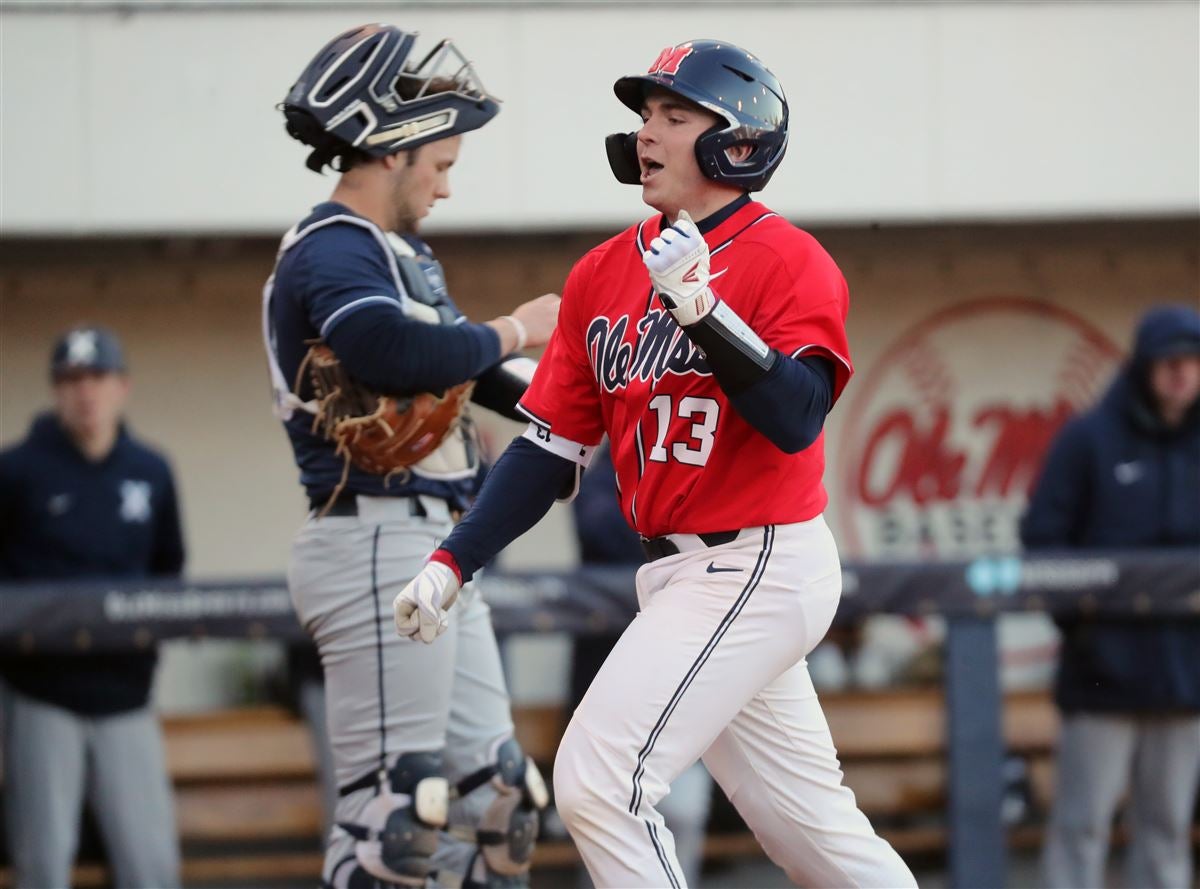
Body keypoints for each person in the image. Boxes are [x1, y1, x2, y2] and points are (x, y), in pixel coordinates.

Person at [395, 39, 916, 888]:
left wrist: (705, 312)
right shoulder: (605, 271)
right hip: (678, 575)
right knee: (814, 835)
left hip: (758, 557)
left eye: (675, 115)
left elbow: (797, 417)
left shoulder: (790, 258)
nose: (648, 132)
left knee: (599, 779)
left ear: (736, 140)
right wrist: (455, 558)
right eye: (644, 115)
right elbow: (547, 446)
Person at [264, 24, 560, 889]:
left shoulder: (401, 256)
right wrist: (514, 327)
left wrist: (589, 408)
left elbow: (466, 373)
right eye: (441, 164)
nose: (446, 185)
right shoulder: (333, 244)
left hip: (433, 545)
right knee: (396, 812)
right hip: (370, 536)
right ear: (393, 149)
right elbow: (390, 353)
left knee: (501, 798)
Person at [1021, 303, 1200, 889]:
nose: (1181, 374)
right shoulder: (1089, 439)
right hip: (1103, 676)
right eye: (1169, 361)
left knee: (1169, 828)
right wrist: (1084, 629)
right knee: (1083, 828)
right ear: (1143, 367)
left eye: (1192, 362)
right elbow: (1043, 540)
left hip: (1187, 675)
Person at [0, 325, 184, 888]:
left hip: (126, 695)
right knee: (43, 861)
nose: (86, 393)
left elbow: (169, 571)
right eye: (72, 379)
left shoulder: (150, 471)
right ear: (55, 390)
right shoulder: (16, 471)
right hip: (42, 696)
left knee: (149, 863)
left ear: (122, 386)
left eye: (98, 378)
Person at [568, 443, 714, 887]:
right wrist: (662, 516)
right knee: (598, 805)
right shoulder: (614, 452)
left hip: (686, 656)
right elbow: (595, 525)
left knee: (684, 811)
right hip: (610, 662)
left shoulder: (700, 443)